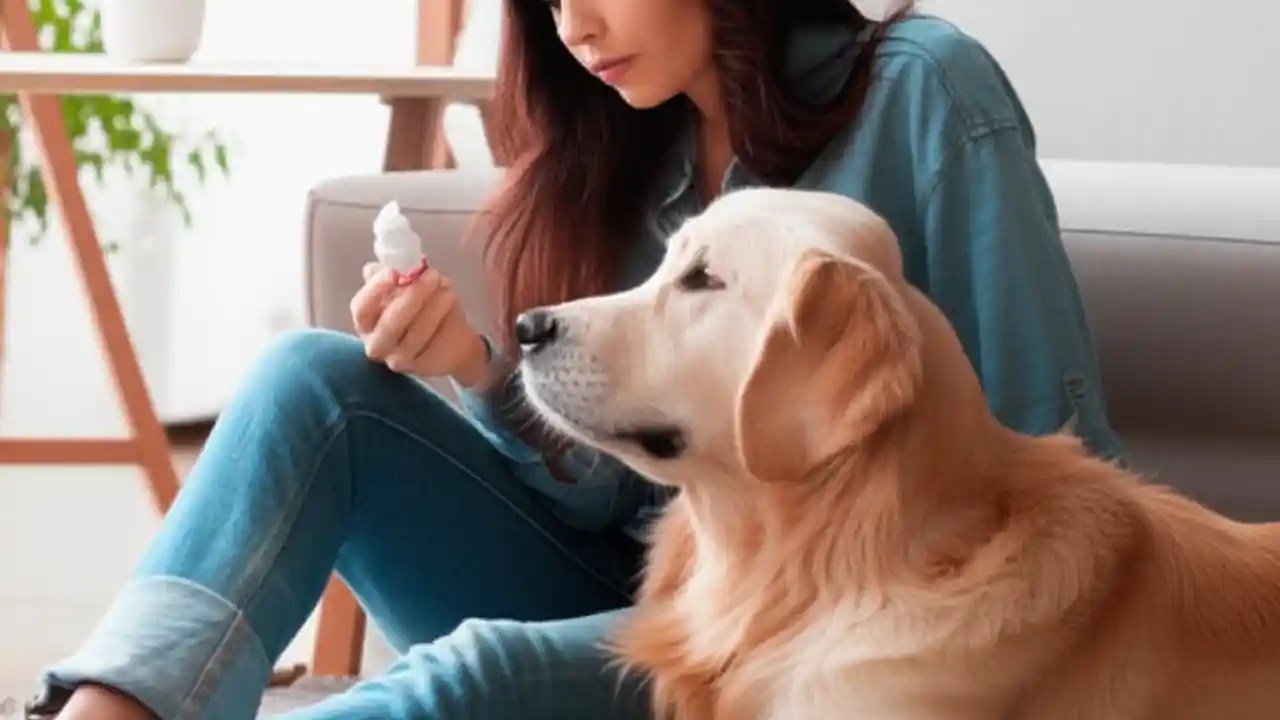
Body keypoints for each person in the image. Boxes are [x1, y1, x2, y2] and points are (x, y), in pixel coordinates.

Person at [27, 0, 1126, 718]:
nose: (574, 25)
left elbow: (1051, 447)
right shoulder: (618, 147)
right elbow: (607, 504)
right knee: (308, 382)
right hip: (641, 589)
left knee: (475, 677)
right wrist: (473, 364)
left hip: (823, 629)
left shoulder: (926, 93)